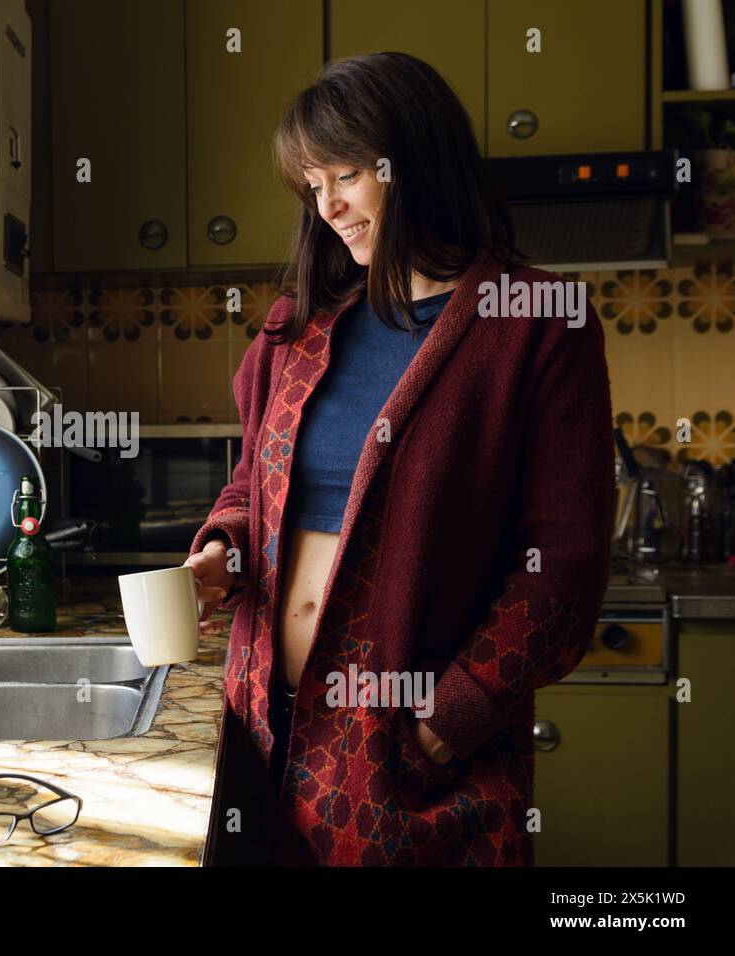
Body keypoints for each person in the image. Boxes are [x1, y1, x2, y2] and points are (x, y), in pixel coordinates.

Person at [185, 52, 614, 866]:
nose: (329, 205)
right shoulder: (296, 332)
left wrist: (448, 721)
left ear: (414, 158)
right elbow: (252, 489)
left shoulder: (534, 326)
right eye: (312, 185)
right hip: (258, 736)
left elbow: (564, 562)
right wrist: (223, 549)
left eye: (346, 173)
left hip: (411, 768)